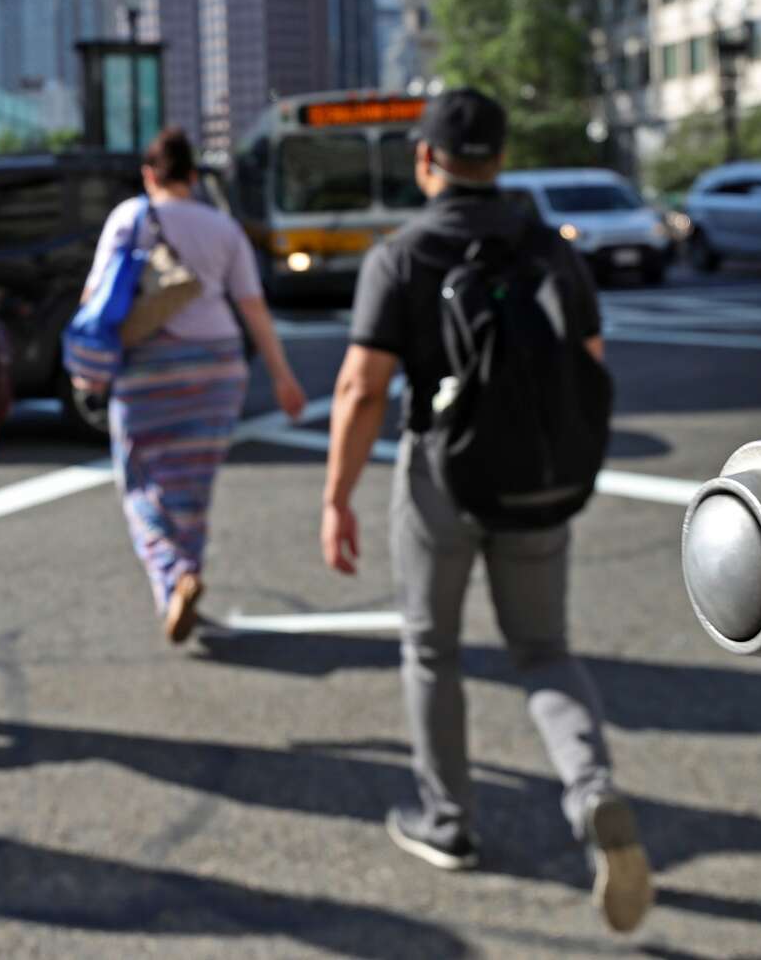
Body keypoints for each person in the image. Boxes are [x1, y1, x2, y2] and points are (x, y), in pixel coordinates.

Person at [319, 88, 652, 932]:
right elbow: (589, 362)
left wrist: (337, 497)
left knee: (432, 651)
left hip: (441, 478)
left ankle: (449, 822)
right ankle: (593, 793)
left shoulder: (402, 254)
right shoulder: (547, 245)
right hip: (538, 475)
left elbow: (360, 389)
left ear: (426, 160)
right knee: (544, 651)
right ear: (500, 158)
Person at [87, 128, 306, 643]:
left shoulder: (129, 218)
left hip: (148, 365)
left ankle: (174, 576)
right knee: (192, 489)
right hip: (218, 367)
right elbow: (252, 304)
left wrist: (89, 363)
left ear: (149, 174)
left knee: (140, 480)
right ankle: (185, 573)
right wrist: (281, 374)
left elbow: (94, 296)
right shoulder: (222, 226)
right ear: (192, 176)